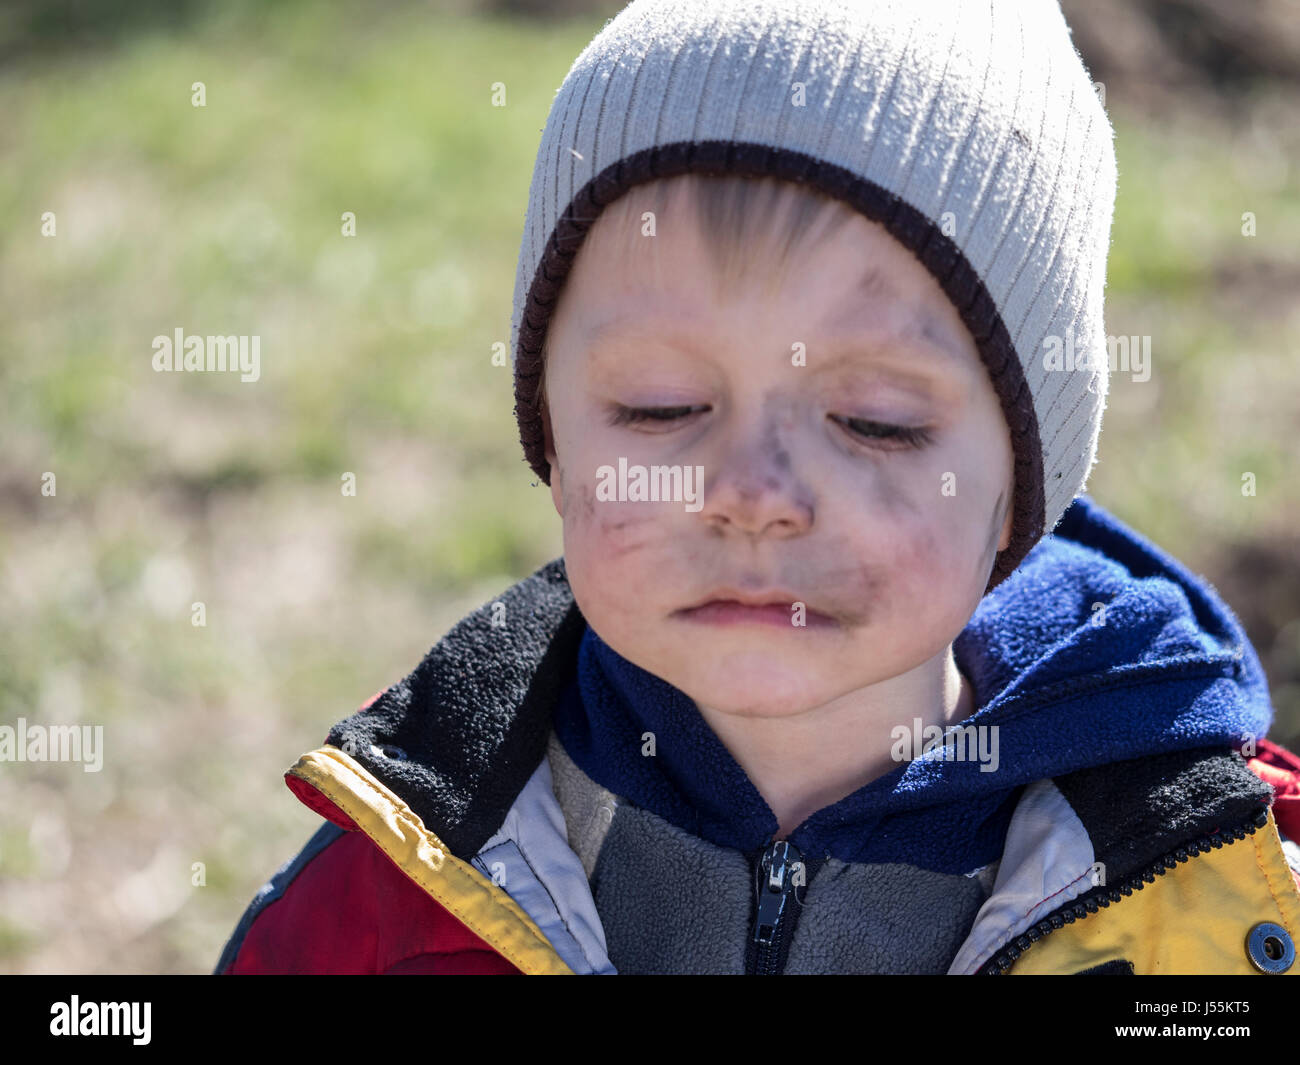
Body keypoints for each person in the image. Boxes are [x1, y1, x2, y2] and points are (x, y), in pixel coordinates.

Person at [216, 0, 1300, 975]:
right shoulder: (403, 872)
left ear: (1024, 483)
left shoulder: (1217, 906)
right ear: (553, 437)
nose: (751, 495)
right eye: (658, 406)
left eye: (875, 422)